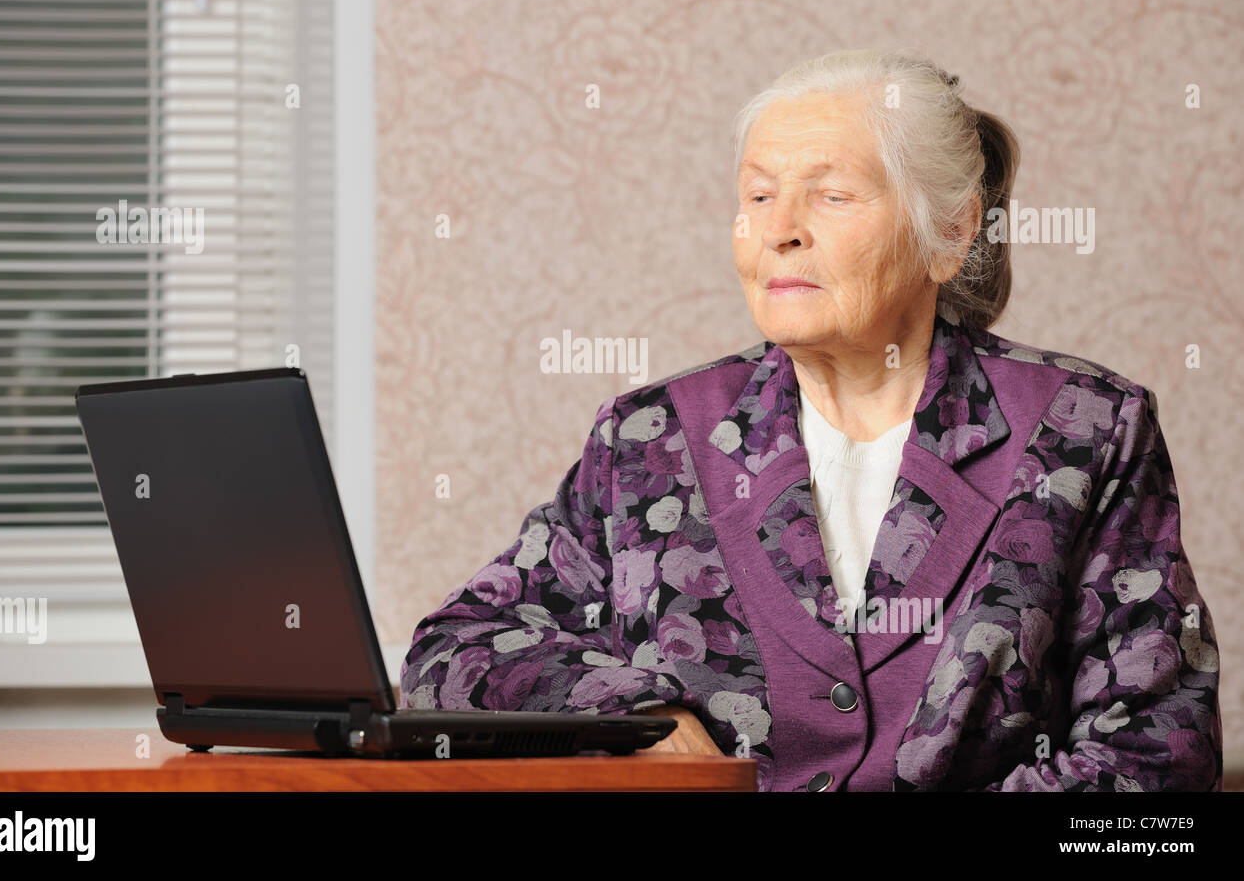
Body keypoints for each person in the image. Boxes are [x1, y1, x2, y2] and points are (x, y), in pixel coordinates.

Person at [399, 49, 1223, 791]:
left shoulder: (1084, 429)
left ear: (952, 231)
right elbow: (454, 650)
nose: (780, 229)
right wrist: (636, 719)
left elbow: (1156, 760)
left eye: (830, 195)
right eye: (758, 195)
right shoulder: (649, 439)